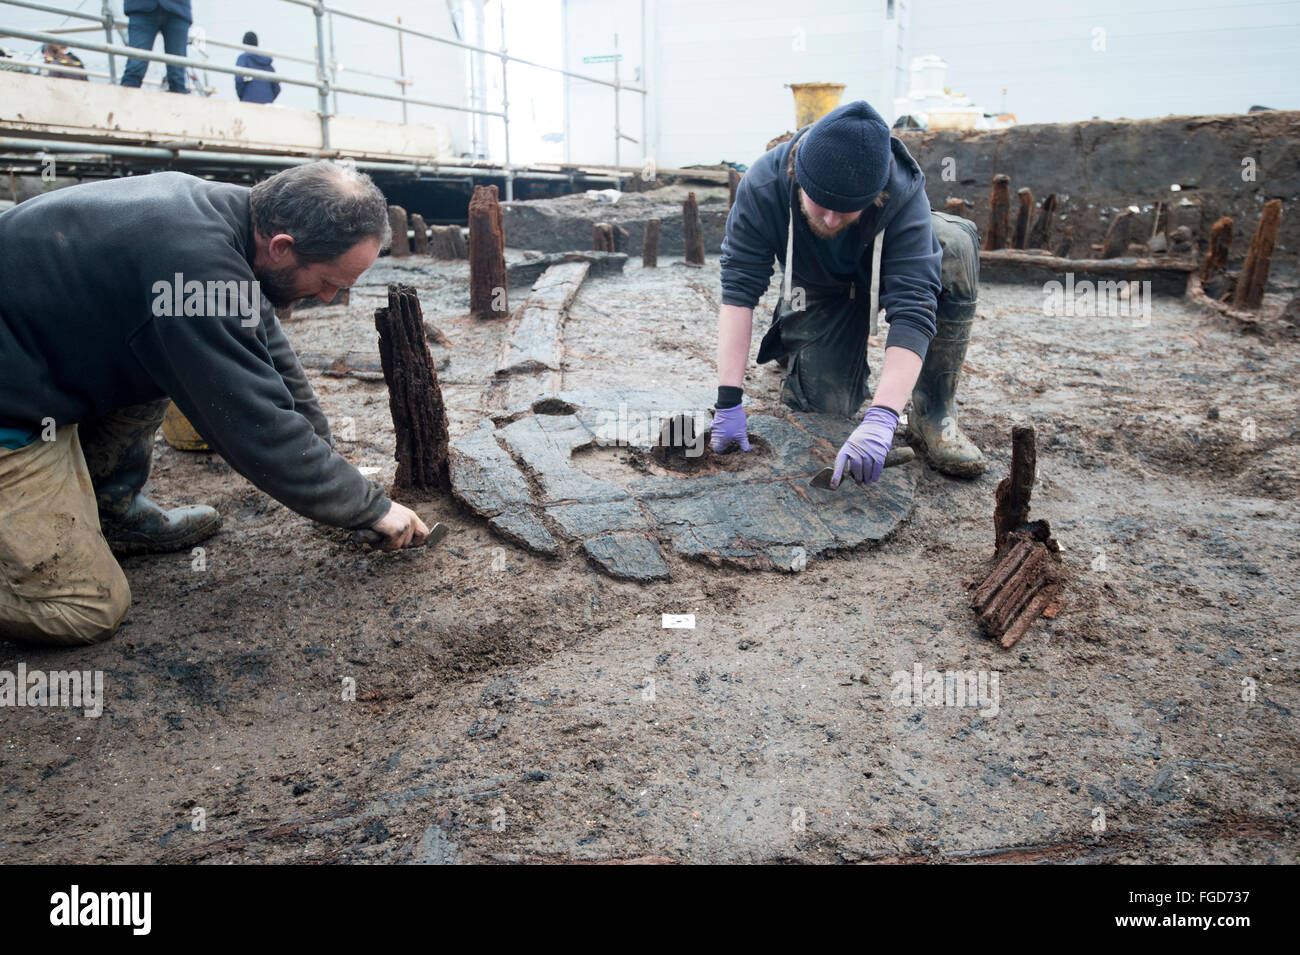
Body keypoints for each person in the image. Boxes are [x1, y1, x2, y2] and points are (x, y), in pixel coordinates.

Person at [0, 162, 431, 648]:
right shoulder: (195, 269)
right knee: (87, 609)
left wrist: (329, 460)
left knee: (159, 356)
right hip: (12, 408)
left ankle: (111, 510)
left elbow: (273, 360)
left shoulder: (238, 218)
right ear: (283, 247)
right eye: (329, 281)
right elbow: (251, 422)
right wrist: (368, 507)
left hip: (37, 353)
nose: (331, 298)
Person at [713, 100, 985, 486]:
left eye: (847, 211)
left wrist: (883, 416)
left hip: (881, 268)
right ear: (797, 176)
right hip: (820, 287)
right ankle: (794, 325)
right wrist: (728, 400)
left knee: (953, 242)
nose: (830, 220)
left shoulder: (902, 192)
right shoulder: (763, 184)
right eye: (822, 205)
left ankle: (934, 412)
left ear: (877, 197)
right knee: (827, 411)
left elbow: (914, 310)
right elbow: (738, 292)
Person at [120, 0, 192, 94]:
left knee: (177, 75)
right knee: (135, 69)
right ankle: (122, 106)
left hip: (177, 9)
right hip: (141, 8)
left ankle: (180, 107)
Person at [235, 31, 280, 104]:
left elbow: (239, 80)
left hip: (249, 102)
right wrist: (268, 99)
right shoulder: (267, 62)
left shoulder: (243, 58)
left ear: (244, 44)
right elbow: (276, 87)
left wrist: (242, 97)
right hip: (267, 105)